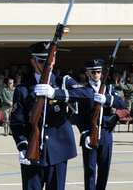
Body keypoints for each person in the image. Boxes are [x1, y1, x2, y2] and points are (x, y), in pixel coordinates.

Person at [11, 41, 92, 190]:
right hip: (32, 151)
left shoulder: (63, 82)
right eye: (42, 61)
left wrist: (56, 93)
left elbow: (88, 95)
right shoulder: (22, 89)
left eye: (49, 60)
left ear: (54, 60)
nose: (46, 65)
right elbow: (17, 122)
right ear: (33, 61)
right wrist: (22, 146)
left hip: (59, 150)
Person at [73, 58, 127, 190]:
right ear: (87, 73)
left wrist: (106, 100)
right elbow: (79, 116)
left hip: (105, 133)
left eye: (98, 72)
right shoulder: (83, 91)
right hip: (90, 133)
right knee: (90, 170)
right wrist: (84, 133)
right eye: (93, 72)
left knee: (104, 169)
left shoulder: (108, 89)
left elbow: (122, 104)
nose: (96, 74)